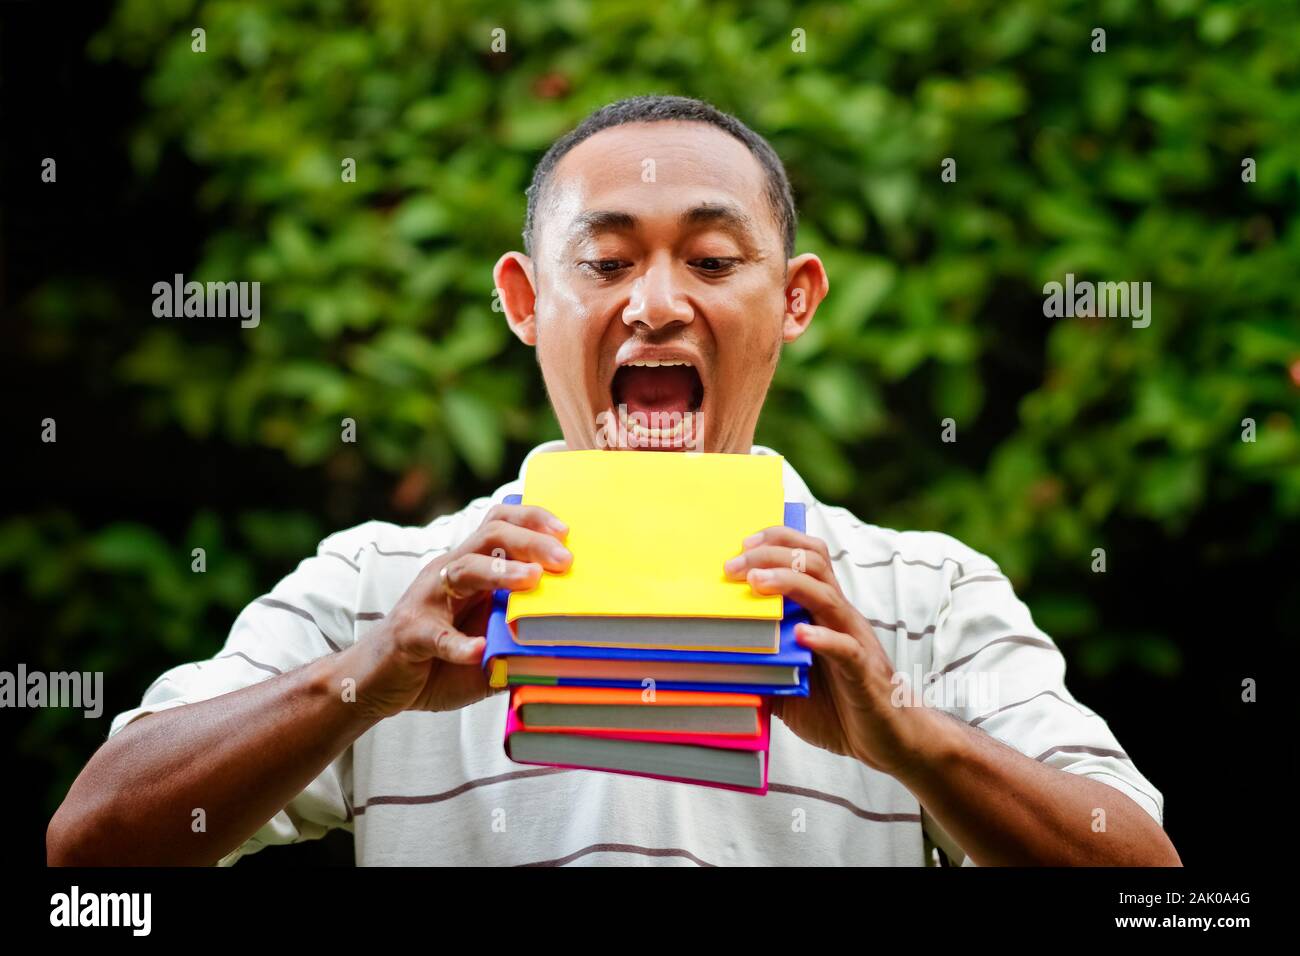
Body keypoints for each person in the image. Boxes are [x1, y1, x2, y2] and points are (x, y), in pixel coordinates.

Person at [47, 95, 1179, 866]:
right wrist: (367, 678)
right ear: (525, 300)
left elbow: (1142, 874)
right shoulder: (387, 586)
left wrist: (906, 737)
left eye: (712, 260)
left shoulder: (922, 592)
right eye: (604, 261)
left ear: (793, 299)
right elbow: (89, 843)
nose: (653, 303)